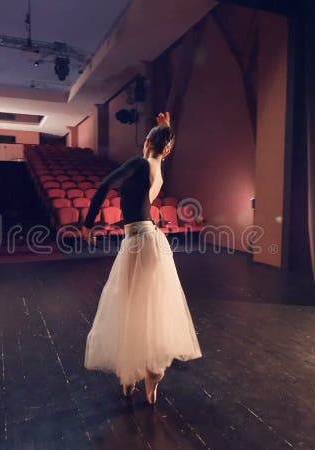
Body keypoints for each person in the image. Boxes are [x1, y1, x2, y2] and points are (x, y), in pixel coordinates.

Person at [82, 112, 202, 405]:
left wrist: (87, 223)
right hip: (152, 241)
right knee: (150, 307)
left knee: (131, 305)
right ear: (168, 150)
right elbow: (161, 150)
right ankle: (149, 375)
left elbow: (103, 186)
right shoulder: (159, 169)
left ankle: (132, 374)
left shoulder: (138, 163)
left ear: (146, 141)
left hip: (137, 241)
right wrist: (167, 129)